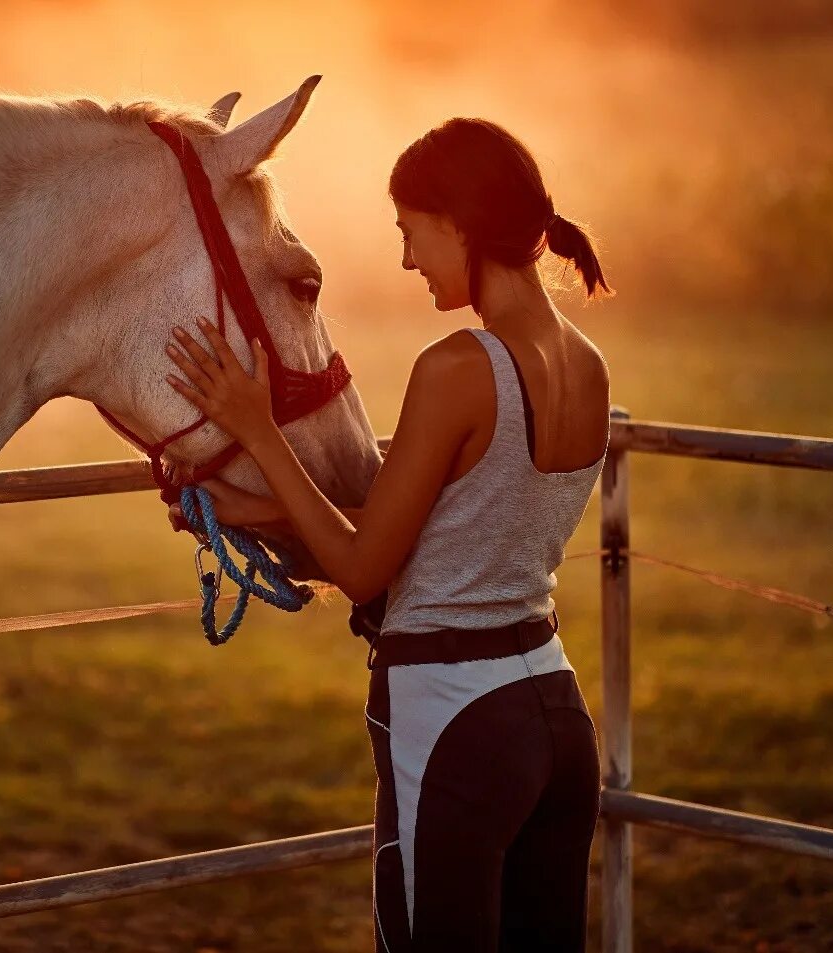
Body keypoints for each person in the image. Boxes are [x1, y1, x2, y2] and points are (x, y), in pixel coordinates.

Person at [163, 117, 612, 952]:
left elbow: (365, 570)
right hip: (551, 708)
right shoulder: (587, 363)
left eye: (411, 233)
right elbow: (443, 527)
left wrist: (259, 431)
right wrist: (240, 506)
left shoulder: (456, 369)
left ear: (459, 223)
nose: (408, 260)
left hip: (455, 722)